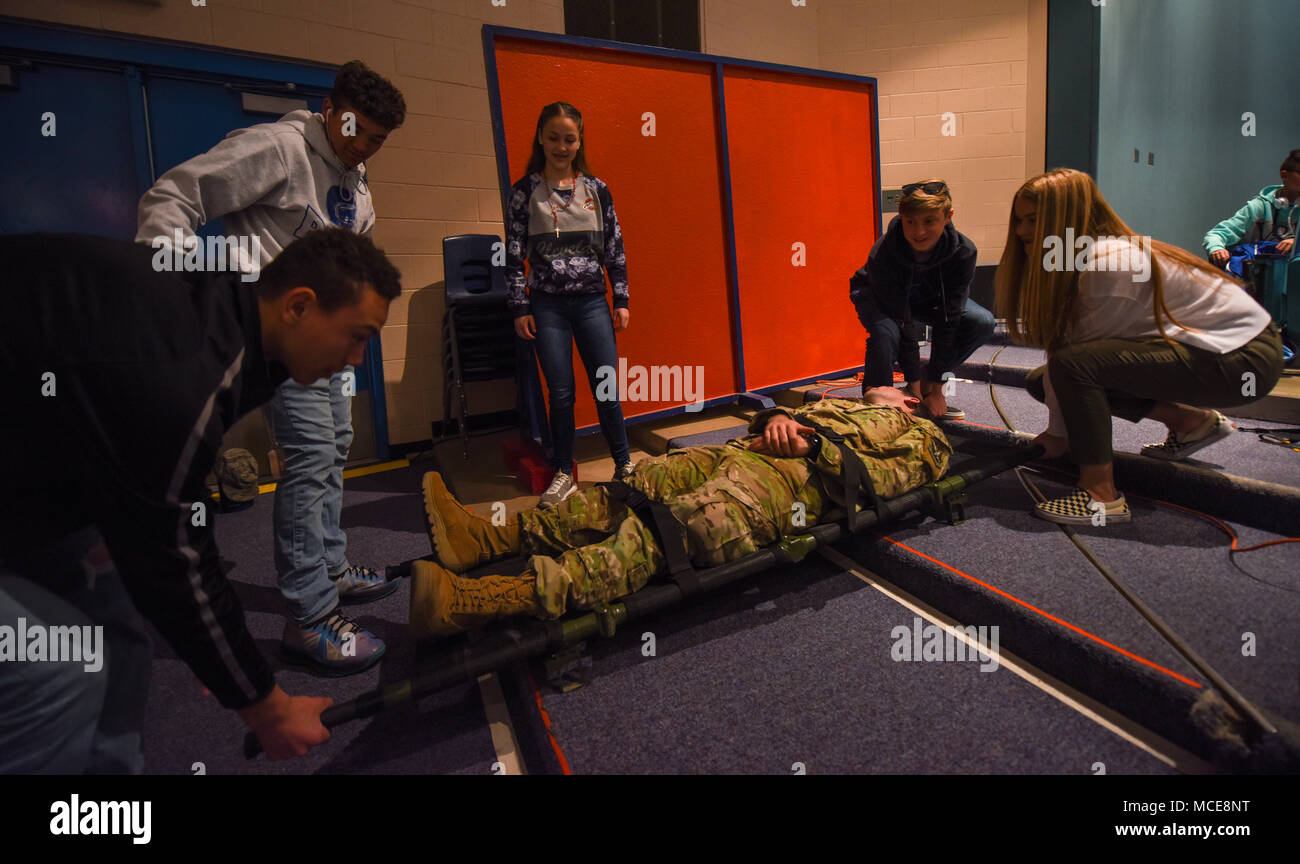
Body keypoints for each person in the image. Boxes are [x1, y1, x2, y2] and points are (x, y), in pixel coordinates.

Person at [0, 228, 403, 771]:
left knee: (116, 632)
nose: (357, 358)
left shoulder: (225, 318)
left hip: (27, 478)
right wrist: (266, 706)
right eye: (356, 336)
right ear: (299, 306)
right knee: (60, 673)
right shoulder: (182, 370)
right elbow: (174, 561)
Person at [136, 60, 407, 675]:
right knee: (310, 460)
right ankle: (309, 618)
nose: (363, 145)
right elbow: (175, 196)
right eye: (356, 129)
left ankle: (332, 571)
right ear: (329, 106)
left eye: (377, 140)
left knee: (334, 448)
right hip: (285, 338)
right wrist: (177, 296)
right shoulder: (280, 148)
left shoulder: (356, 177)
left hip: (329, 339)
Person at [408, 388, 949, 636]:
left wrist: (816, 448)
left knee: (663, 529)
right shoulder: (843, 401)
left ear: (911, 401)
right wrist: (781, 420)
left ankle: (486, 601)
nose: (888, 388)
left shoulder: (925, 434)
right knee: (630, 487)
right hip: (739, 451)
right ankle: (487, 539)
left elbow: (886, 482)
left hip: (789, 488)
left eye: (898, 388)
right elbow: (781, 415)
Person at [996, 168, 1284, 526]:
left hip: (1245, 359)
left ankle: (1101, 496)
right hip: (1225, 349)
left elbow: (1075, 362)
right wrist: (1058, 432)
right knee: (1042, 380)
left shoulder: (1107, 263)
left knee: (1073, 369)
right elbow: (1067, 357)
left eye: (1034, 220)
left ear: (1065, 220)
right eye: (1019, 220)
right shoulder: (1085, 255)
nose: (1022, 231)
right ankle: (1192, 423)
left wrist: (1058, 435)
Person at [506, 101, 633, 509]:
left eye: (570, 139)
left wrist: (622, 297)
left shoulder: (597, 190)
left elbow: (615, 247)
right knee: (560, 393)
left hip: (593, 302)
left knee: (606, 388)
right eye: (554, 138)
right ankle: (563, 472)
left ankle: (624, 466)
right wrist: (519, 306)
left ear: (579, 142)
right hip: (547, 306)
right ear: (541, 139)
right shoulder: (525, 192)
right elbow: (512, 255)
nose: (562, 146)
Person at [850, 179, 994, 421]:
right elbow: (903, 320)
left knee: (982, 321)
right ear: (901, 216)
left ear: (948, 216)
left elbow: (949, 321)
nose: (919, 232)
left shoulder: (963, 252)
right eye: (910, 222)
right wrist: (913, 389)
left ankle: (927, 384)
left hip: (927, 298)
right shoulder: (885, 252)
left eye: (929, 221)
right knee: (887, 333)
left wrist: (936, 387)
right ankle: (877, 406)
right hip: (874, 293)